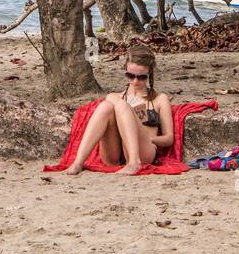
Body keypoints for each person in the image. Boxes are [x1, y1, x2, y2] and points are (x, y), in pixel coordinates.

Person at [64, 44, 174, 176]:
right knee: (106, 105)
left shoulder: (160, 99)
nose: (135, 81)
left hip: (143, 150)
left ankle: (134, 162)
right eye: (130, 75)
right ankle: (78, 162)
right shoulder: (114, 97)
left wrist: (150, 139)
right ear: (125, 70)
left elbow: (169, 138)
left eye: (141, 77)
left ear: (149, 73)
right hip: (114, 152)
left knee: (122, 106)